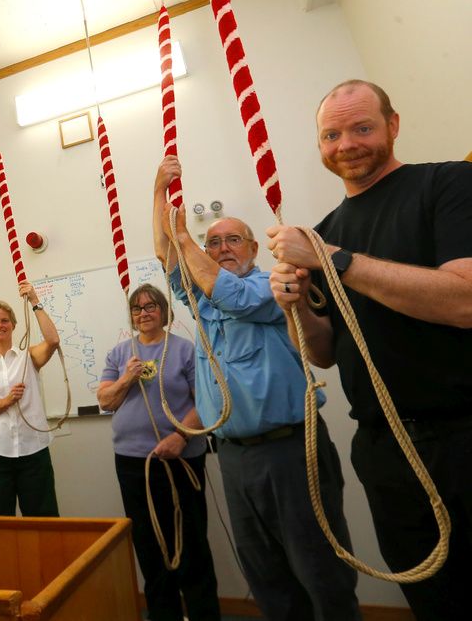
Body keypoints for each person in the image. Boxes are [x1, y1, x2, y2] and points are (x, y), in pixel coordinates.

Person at [266, 79, 472, 620]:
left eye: (362, 127)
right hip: (383, 449)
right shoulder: (328, 231)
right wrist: (297, 307)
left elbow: (464, 300)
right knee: (433, 598)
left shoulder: (448, 184)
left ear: (393, 125)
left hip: (461, 434)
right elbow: (325, 352)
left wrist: (335, 260)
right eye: (332, 134)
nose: (347, 143)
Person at [152, 159, 361, 621]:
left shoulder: (276, 284)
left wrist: (188, 237)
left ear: (251, 247)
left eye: (231, 240)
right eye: (213, 242)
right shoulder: (204, 298)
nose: (221, 248)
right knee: (265, 573)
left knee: (319, 568)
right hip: (233, 455)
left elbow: (229, 293)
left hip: (290, 452)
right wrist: (158, 193)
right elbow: (169, 261)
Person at [97, 284, 220, 621]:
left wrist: (181, 437)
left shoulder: (184, 350)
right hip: (133, 464)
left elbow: (205, 401)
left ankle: (203, 614)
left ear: (164, 311)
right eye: (137, 308)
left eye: (151, 306)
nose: (144, 312)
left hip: (181, 458)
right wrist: (126, 379)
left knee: (190, 543)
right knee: (149, 547)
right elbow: (105, 400)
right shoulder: (121, 354)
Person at [0, 281, 61, 517]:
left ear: (14, 325)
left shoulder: (28, 356)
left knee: (44, 518)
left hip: (34, 451)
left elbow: (53, 341)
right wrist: (5, 402)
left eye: (4, 320)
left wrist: (34, 301)